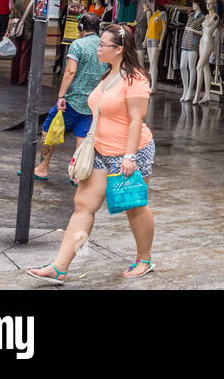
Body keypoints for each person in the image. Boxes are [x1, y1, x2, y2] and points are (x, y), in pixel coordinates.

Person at [27, 24, 156, 284]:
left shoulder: (136, 79)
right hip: (99, 150)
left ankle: (144, 259)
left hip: (131, 152)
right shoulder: (107, 74)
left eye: (102, 45)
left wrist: (129, 157)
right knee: (83, 206)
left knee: (134, 206)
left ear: (118, 49)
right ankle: (59, 266)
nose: (98, 48)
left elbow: (135, 120)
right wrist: (86, 147)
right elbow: (98, 115)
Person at [32, 12, 105, 181]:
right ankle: (77, 175)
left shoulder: (77, 45)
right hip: (94, 101)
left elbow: (70, 71)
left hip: (73, 99)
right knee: (83, 137)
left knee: (50, 129)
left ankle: (42, 168)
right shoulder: (104, 45)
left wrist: (60, 96)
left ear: (80, 27)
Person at [9, 0, 35, 85]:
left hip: (16, 31)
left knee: (15, 55)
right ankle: (22, 78)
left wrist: (8, 31)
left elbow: (11, 17)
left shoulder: (18, 0)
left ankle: (13, 78)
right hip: (28, 32)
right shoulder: (36, 2)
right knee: (25, 56)